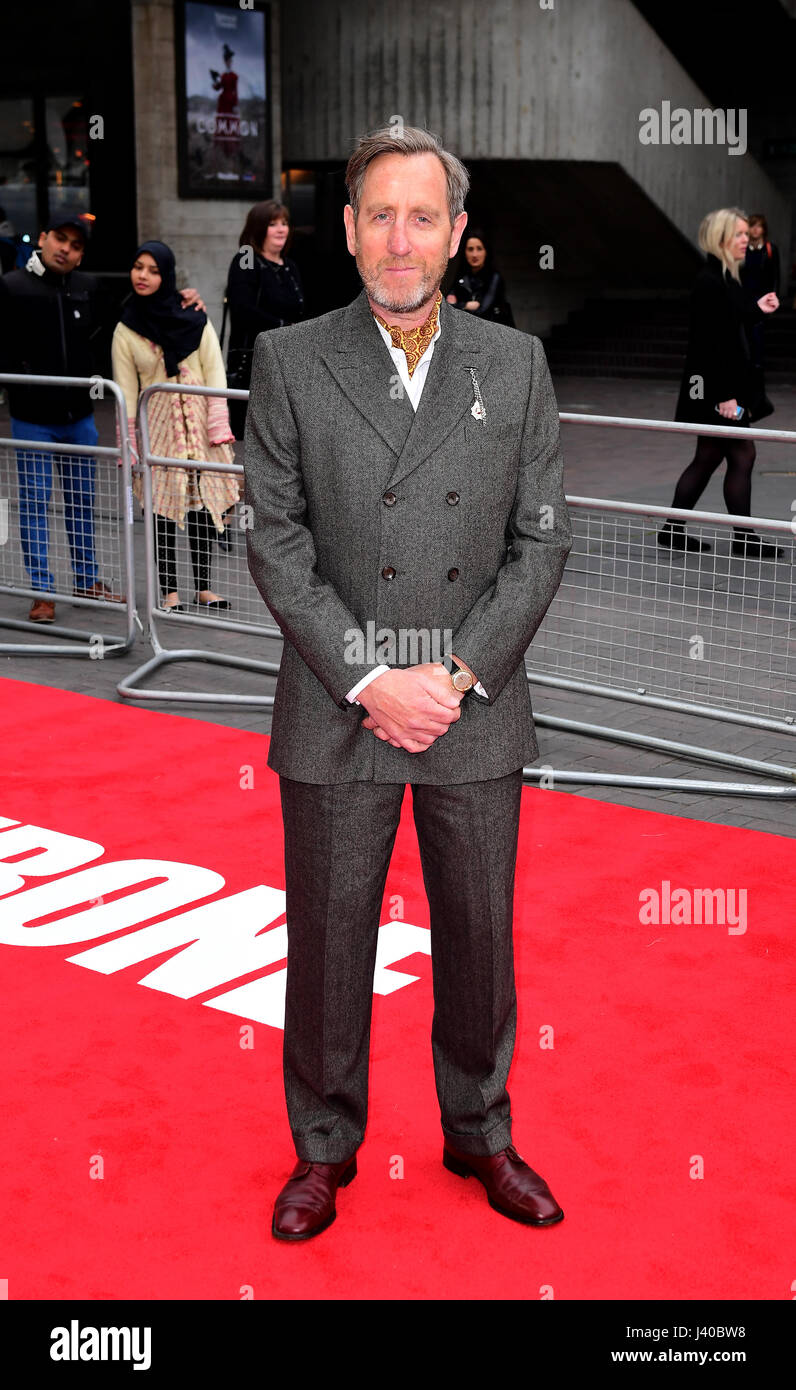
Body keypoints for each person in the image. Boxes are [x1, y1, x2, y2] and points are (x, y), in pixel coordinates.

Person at [245, 125, 573, 1241]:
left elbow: (541, 540)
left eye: (422, 217)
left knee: (480, 938)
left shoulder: (514, 366)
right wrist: (370, 679)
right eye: (379, 215)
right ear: (347, 230)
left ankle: (479, 1130)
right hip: (338, 705)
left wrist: (459, 672)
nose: (400, 239)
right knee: (329, 940)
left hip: (470, 704)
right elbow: (276, 540)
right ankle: (322, 1147)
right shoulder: (290, 359)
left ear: (456, 232)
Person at [0, 211, 122, 623]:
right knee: (35, 503)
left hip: (79, 417)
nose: (65, 249)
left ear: (81, 255)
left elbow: (118, 329)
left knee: (82, 502)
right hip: (31, 417)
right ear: (44, 238)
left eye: (75, 245)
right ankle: (42, 591)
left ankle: (86, 581)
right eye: (60, 239)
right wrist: (18, 384)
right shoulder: (12, 286)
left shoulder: (88, 287)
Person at [112, 241, 239, 611]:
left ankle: (204, 588)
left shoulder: (194, 316)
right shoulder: (125, 329)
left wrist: (218, 426)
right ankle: (168, 592)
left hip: (200, 428)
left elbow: (214, 371)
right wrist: (129, 444)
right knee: (162, 510)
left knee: (202, 507)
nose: (143, 276)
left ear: (166, 275)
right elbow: (125, 391)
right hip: (159, 430)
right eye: (138, 267)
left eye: (153, 271)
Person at [661, 208, 783, 560]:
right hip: (718, 390)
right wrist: (725, 397)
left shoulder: (725, 276)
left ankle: (673, 529)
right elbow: (709, 343)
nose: (747, 240)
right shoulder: (710, 281)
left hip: (718, 388)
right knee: (741, 454)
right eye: (740, 234)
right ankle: (743, 538)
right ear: (722, 237)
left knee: (710, 456)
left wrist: (759, 308)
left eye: (747, 233)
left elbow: (733, 320)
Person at [224, 200, 304, 439]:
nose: (281, 229)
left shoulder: (290, 265)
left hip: (288, 361)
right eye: (272, 224)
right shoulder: (247, 256)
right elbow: (242, 309)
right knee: (254, 436)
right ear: (258, 228)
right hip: (254, 362)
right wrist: (284, 327)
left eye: (284, 223)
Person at [445, 227, 512, 324]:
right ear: (465, 252)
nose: (474, 254)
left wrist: (458, 304)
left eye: (479, 249)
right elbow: (447, 307)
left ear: (486, 252)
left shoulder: (494, 278)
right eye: (470, 249)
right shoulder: (462, 277)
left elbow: (482, 311)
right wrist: (466, 305)